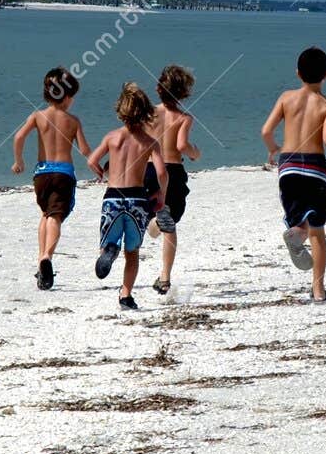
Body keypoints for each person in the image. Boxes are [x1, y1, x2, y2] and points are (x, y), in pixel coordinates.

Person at [261, 46, 326, 304]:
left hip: (288, 167)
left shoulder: (286, 97)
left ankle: (297, 233)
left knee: (299, 217)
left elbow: (266, 131)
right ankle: (318, 290)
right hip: (314, 168)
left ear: (298, 73)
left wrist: (274, 149)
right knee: (317, 230)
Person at [86, 82, 167, 310]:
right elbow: (162, 172)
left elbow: (91, 160)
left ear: (120, 111)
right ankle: (126, 294)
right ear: (146, 113)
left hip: (112, 197)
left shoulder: (112, 137)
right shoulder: (150, 143)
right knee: (132, 252)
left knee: (107, 242)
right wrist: (161, 193)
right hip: (137, 200)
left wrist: (102, 173)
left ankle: (109, 251)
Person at [11, 66, 92, 291]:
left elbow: (19, 137)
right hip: (63, 174)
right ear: (66, 97)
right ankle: (47, 256)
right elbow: (85, 150)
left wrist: (18, 161)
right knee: (55, 217)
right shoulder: (73, 121)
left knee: (45, 214)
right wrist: (97, 166)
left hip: (41, 174)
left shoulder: (38, 116)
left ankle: (40, 261)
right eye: (72, 96)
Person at [144, 64, 200, 296]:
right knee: (170, 223)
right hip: (173, 170)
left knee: (160, 218)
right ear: (184, 93)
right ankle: (165, 277)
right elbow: (181, 145)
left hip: (151, 169)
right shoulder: (184, 118)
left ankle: (154, 223)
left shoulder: (148, 114)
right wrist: (195, 153)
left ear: (158, 89)